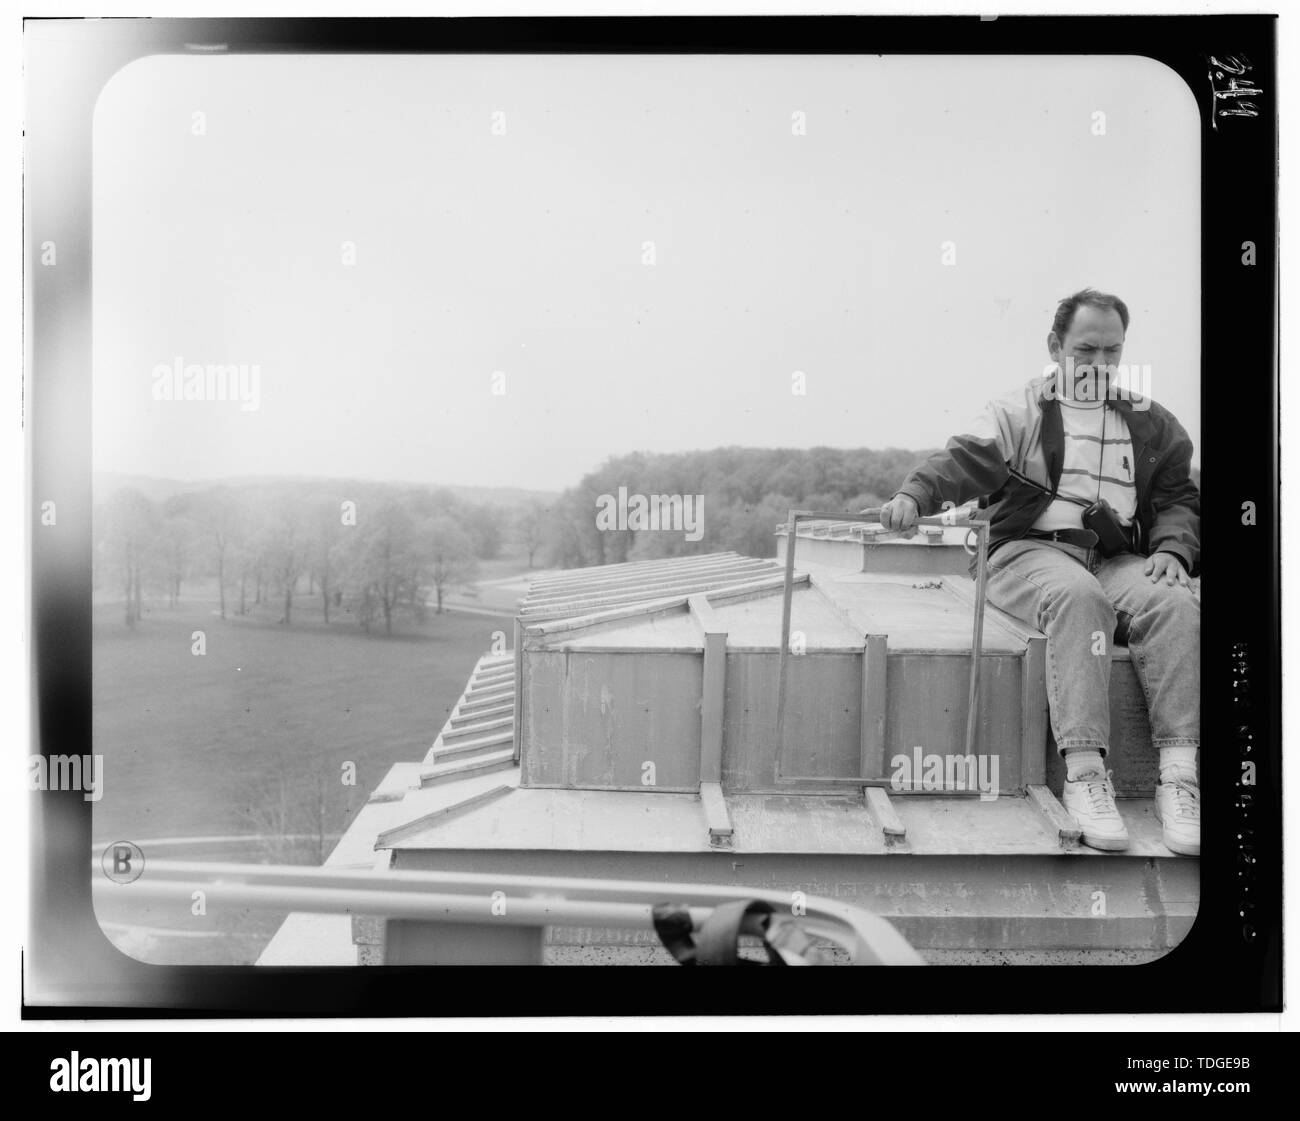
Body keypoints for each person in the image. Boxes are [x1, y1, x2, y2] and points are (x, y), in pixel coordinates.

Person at [880, 289, 1200, 855]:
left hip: (1115, 558)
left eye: (1112, 352)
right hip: (1026, 552)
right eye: (1086, 350)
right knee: (1079, 598)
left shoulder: (1150, 424)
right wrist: (915, 494)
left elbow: (1178, 497)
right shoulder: (1018, 412)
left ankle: (1179, 776)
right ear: (1055, 347)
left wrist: (1173, 549)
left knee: (1176, 601)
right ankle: (1084, 774)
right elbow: (959, 464)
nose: (1099, 365)